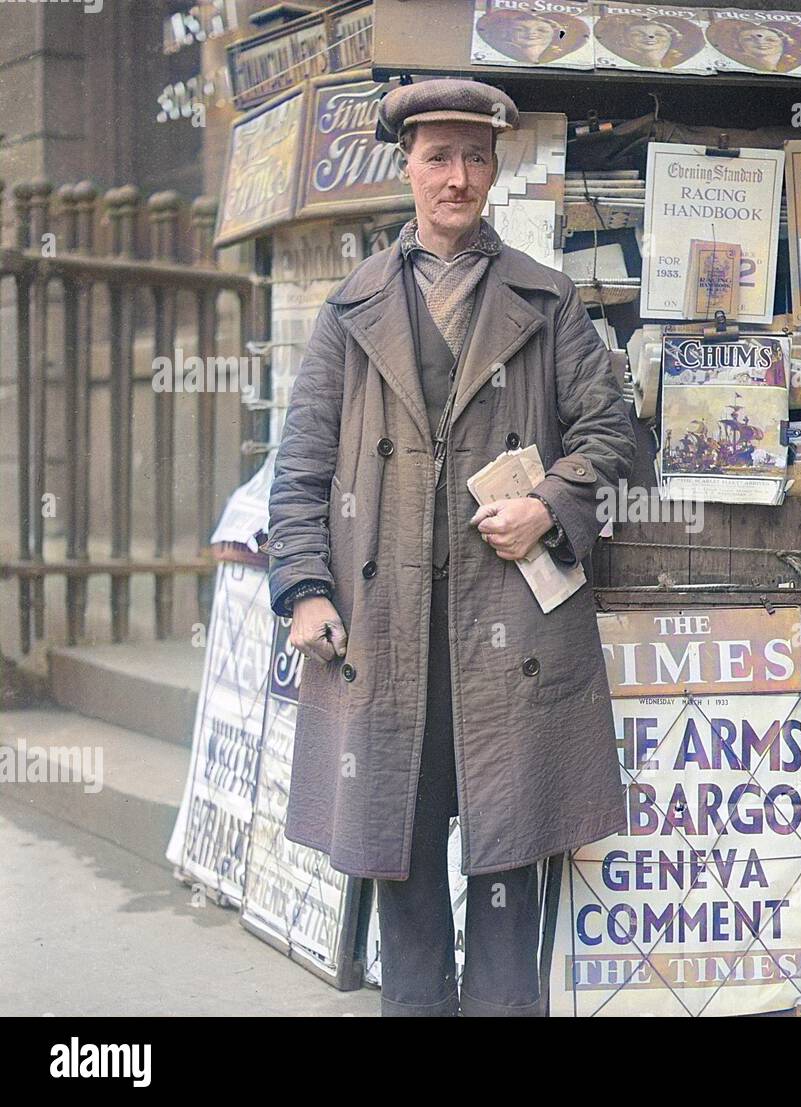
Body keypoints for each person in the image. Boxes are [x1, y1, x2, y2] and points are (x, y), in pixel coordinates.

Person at [265, 78, 637, 1016]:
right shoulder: (350, 312)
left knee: (508, 853)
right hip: (386, 635)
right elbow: (300, 466)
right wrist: (307, 589)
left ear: (495, 170)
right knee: (401, 847)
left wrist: (548, 505)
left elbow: (612, 430)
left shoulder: (544, 301)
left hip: (506, 631)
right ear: (408, 168)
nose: (458, 178)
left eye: (476, 158)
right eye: (439, 158)